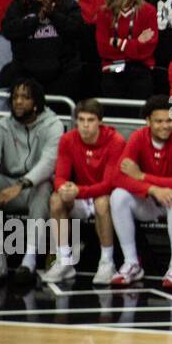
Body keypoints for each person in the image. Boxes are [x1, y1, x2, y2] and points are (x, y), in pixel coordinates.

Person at [0, 79, 62, 285]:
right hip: (8, 185)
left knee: (42, 188)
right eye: (15, 97)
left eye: (25, 97)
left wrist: (21, 185)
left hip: (34, 186)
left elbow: (48, 163)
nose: (18, 102)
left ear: (36, 103)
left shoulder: (53, 125)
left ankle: (29, 260)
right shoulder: (1, 126)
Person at [107, 95, 172, 289]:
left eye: (169, 120)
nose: (165, 126)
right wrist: (152, 188)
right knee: (118, 196)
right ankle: (132, 263)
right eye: (159, 121)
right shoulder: (138, 136)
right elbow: (117, 177)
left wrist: (141, 176)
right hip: (150, 200)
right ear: (148, 121)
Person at [43, 99, 122, 286]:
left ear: (100, 121)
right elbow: (60, 177)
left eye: (91, 120)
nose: (85, 125)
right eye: (81, 120)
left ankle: (107, 262)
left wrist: (79, 190)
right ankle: (64, 261)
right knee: (56, 199)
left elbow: (109, 183)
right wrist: (64, 189)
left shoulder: (115, 140)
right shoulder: (68, 139)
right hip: (81, 195)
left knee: (102, 202)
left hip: (103, 195)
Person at [0, 0, 85, 95]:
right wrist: (36, 20)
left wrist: (53, 15)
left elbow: (77, 28)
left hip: (62, 75)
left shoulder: (64, 1)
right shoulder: (20, 4)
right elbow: (8, 30)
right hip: (28, 75)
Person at [95, 0, 157, 98]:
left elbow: (148, 49)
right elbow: (103, 49)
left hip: (140, 69)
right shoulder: (104, 13)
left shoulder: (149, 11)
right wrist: (136, 43)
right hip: (111, 70)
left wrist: (118, 43)